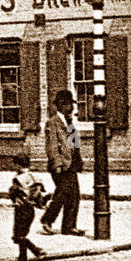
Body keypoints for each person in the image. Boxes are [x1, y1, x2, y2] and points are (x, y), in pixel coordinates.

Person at [41, 90, 86, 237]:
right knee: (62, 193)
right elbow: (52, 145)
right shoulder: (52, 122)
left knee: (74, 195)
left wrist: (78, 162)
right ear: (61, 105)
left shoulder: (70, 121)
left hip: (71, 164)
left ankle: (69, 226)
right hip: (60, 165)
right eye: (69, 105)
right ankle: (47, 220)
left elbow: (75, 143)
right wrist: (57, 164)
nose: (72, 108)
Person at [8, 151, 48, 261]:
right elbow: (39, 194)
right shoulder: (35, 177)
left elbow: (14, 193)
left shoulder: (18, 179)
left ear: (18, 165)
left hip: (21, 209)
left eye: (14, 164)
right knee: (21, 235)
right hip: (31, 210)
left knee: (18, 236)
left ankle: (36, 252)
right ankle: (24, 258)